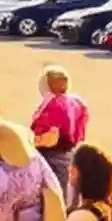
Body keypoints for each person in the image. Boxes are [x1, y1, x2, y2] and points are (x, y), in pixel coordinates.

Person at [31, 65, 90, 197]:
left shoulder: (56, 105)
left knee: (54, 194)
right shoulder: (76, 102)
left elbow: (52, 138)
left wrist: (30, 142)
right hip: (70, 153)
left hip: (52, 157)